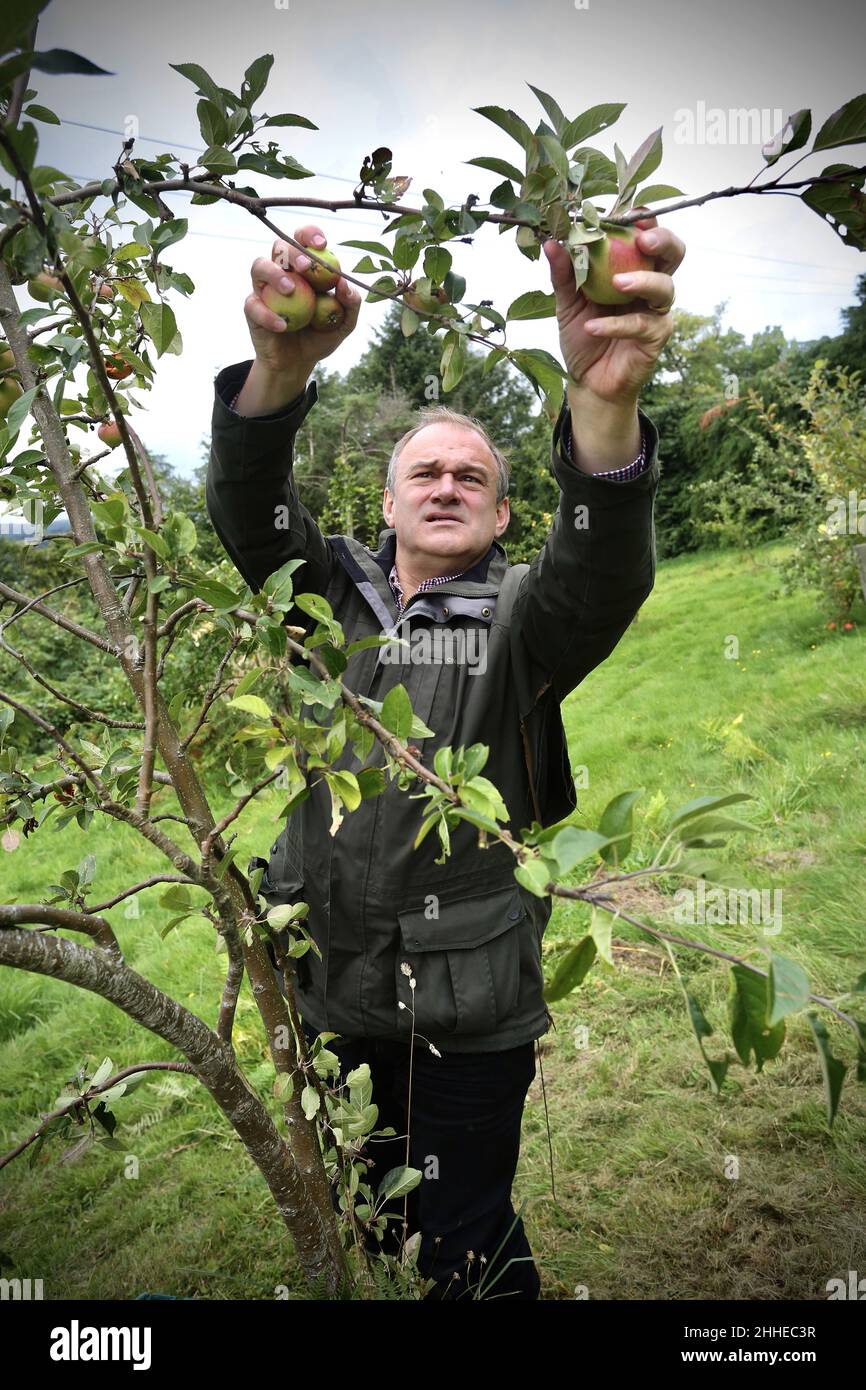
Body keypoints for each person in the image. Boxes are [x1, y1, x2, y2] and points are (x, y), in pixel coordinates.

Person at [206, 218, 683, 1299]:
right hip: (324, 987)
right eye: (423, 470)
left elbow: (601, 570)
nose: (446, 482)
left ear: (504, 509)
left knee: (464, 1240)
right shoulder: (322, 597)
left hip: (462, 1008)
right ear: (384, 503)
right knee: (373, 1216)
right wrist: (281, 365)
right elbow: (246, 511)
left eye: (472, 474)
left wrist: (599, 401)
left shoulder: (522, 619)